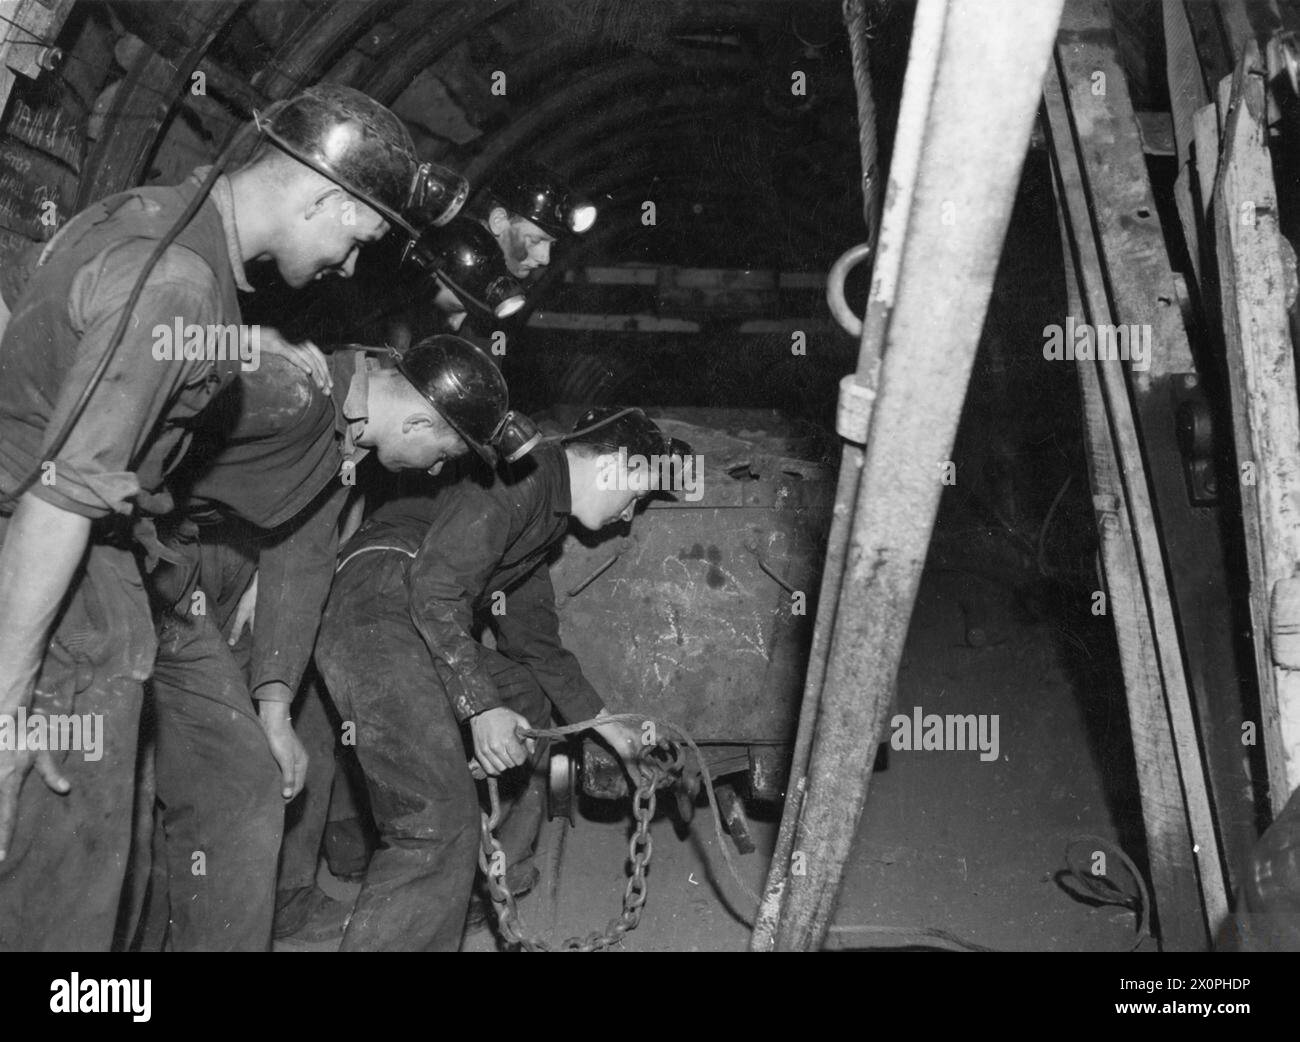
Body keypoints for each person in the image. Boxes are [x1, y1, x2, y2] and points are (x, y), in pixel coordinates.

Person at [0, 82, 453, 951]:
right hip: (57, 571)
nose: (349, 266)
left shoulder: (166, 228)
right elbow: (60, 495)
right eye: (354, 238)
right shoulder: (175, 279)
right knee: (68, 870)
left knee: (231, 789)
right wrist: (14, 706)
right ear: (324, 197)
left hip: (121, 561)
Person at [138, 332, 513, 951]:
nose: (439, 469)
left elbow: (302, 555)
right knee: (135, 797)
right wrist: (239, 342)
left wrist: (276, 708)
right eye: (442, 452)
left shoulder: (342, 445)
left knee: (234, 784)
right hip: (124, 566)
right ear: (418, 420)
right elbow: (132, 404)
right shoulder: (293, 394)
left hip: (175, 581)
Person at [313, 407, 689, 950]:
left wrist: (610, 728)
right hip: (378, 607)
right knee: (438, 822)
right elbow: (435, 591)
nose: (629, 516)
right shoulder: (521, 476)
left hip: (408, 611)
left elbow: (534, 643)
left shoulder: (544, 513)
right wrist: (480, 708)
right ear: (612, 465)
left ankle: (483, 873)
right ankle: (446, 858)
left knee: (526, 697)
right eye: (635, 496)